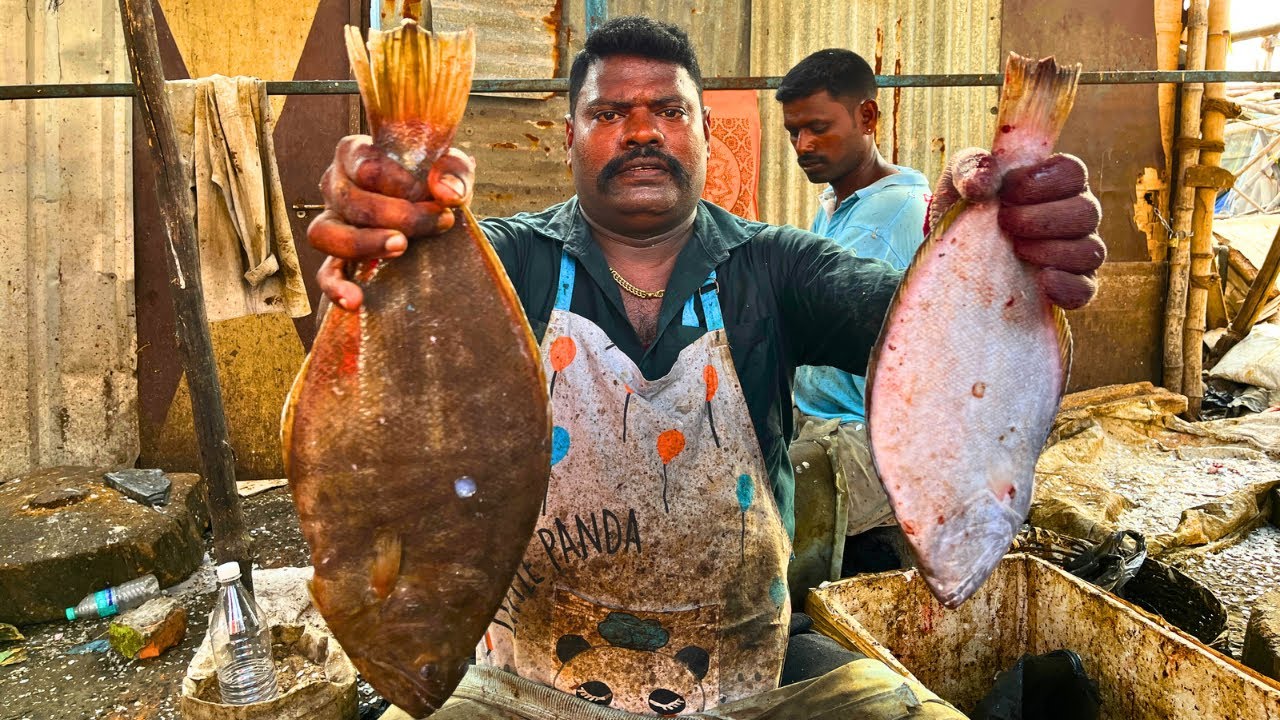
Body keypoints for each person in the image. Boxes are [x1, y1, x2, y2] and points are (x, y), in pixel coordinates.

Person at [308, 16, 1104, 719]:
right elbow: (374, 353)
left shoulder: (778, 267)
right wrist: (383, 219)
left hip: (744, 671)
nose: (643, 131)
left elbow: (923, 340)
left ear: (703, 135)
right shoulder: (506, 261)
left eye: (670, 110)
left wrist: (979, 248)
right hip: (526, 679)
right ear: (569, 139)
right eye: (610, 113)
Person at [775, 49, 930, 583]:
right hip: (823, 413)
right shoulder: (842, 202)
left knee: (762, 513)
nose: (803, 146)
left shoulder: (890, 217)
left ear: (867, 117)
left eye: (818, 128)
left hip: (867, 434)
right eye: (794, 131)